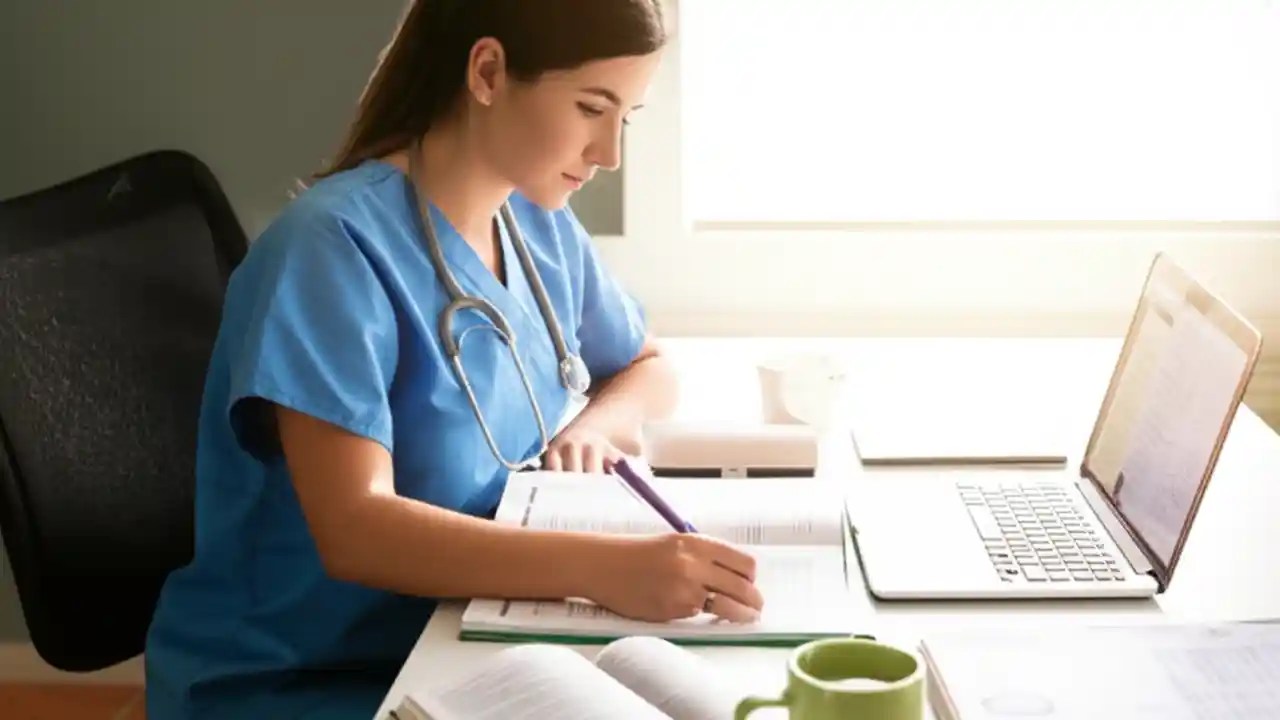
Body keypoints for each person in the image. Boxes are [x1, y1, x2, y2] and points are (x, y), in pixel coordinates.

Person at [143, 1, 765, 717]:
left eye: (627, 116)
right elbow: (356, 530)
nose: (609, 153)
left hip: (465, 637)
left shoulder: (535, 223)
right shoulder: (331, 252)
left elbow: (646, 366)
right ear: (489, 71)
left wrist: (597, 426)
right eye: (592, 108)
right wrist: (608, 569)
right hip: (308, 684)